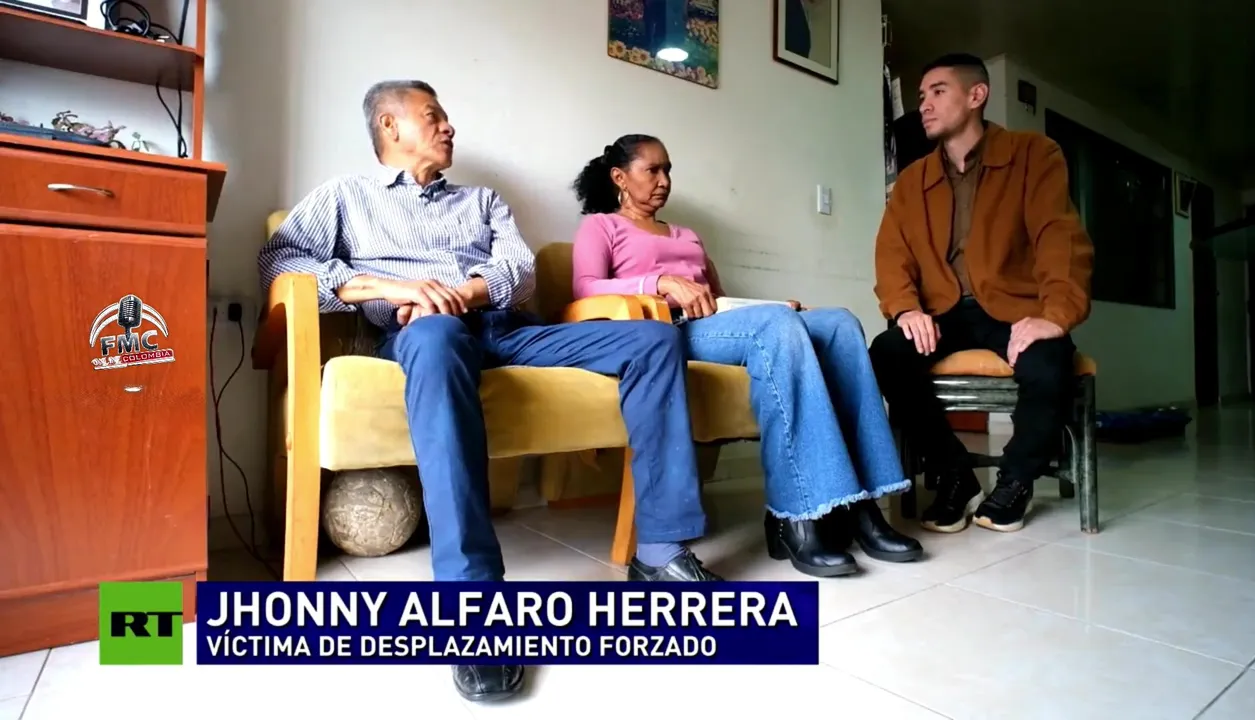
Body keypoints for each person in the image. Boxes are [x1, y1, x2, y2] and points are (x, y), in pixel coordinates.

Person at [259, 81, 719, 704]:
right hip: (422, 332)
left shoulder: (481, 201)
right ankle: (473, 603)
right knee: (436, 334)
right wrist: (387, 289)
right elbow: (279, 260)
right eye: (433, 116)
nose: (449, 126)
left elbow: (519, 271)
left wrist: (465, 291)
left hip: (507, 328)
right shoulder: (346, 196)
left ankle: (659, 548)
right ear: (390, 126)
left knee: (654, 340)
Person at [570, 134, 924, 580]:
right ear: (620, 178)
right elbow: (585, 289)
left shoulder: (687, 235)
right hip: (666, 331)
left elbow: (719, 301)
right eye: (652, 170)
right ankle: (797, 516)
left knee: (838, 323)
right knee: (777, 326)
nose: (664, 181)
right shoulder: (601, 227)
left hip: (714, 322)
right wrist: (659, 283)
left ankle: (862, 507)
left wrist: (774, 308)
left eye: (668, 170)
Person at [869, 54, 1094, 534]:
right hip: (942, 310)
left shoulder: (1035, 155)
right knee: (887, 352)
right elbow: (892, 255)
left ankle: (1015, 481)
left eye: (938, 92)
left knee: (1049, 361)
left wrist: (1055, 315)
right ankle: (954, 476)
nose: (924, 105)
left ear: (977, 95)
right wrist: (906, 309)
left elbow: (1059, 238)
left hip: (1015, 307)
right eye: (921, 96)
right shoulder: (911, 181)